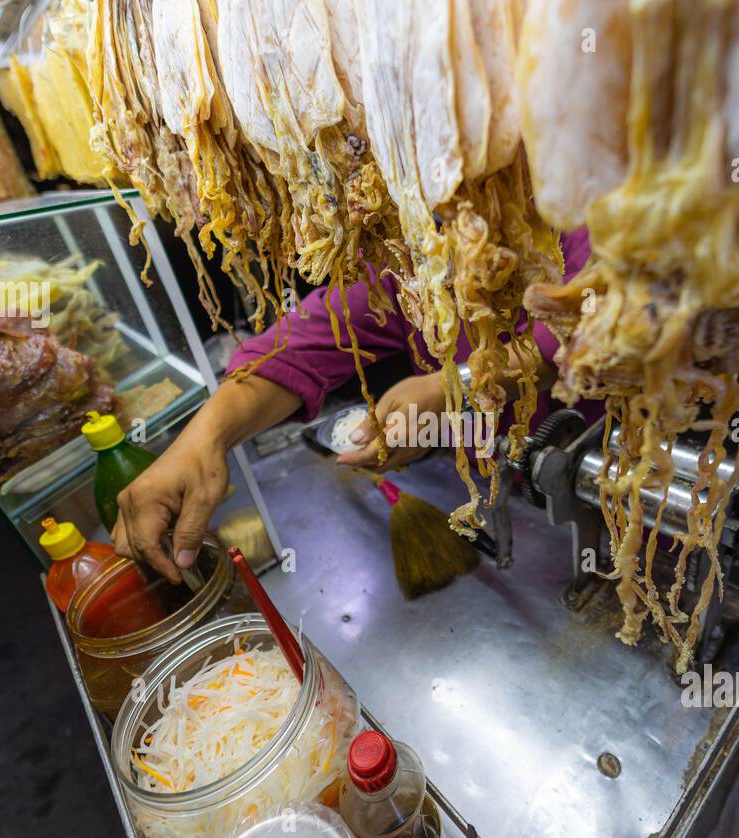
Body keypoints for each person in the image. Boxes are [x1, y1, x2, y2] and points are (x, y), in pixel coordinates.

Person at [114, 229, 596, 581]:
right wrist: (203, 437)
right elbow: (308, 339)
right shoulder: (420, 249)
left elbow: (595, 324)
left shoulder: (590, 202)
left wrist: (458, 385)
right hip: (487, 491)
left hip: (608, 491)